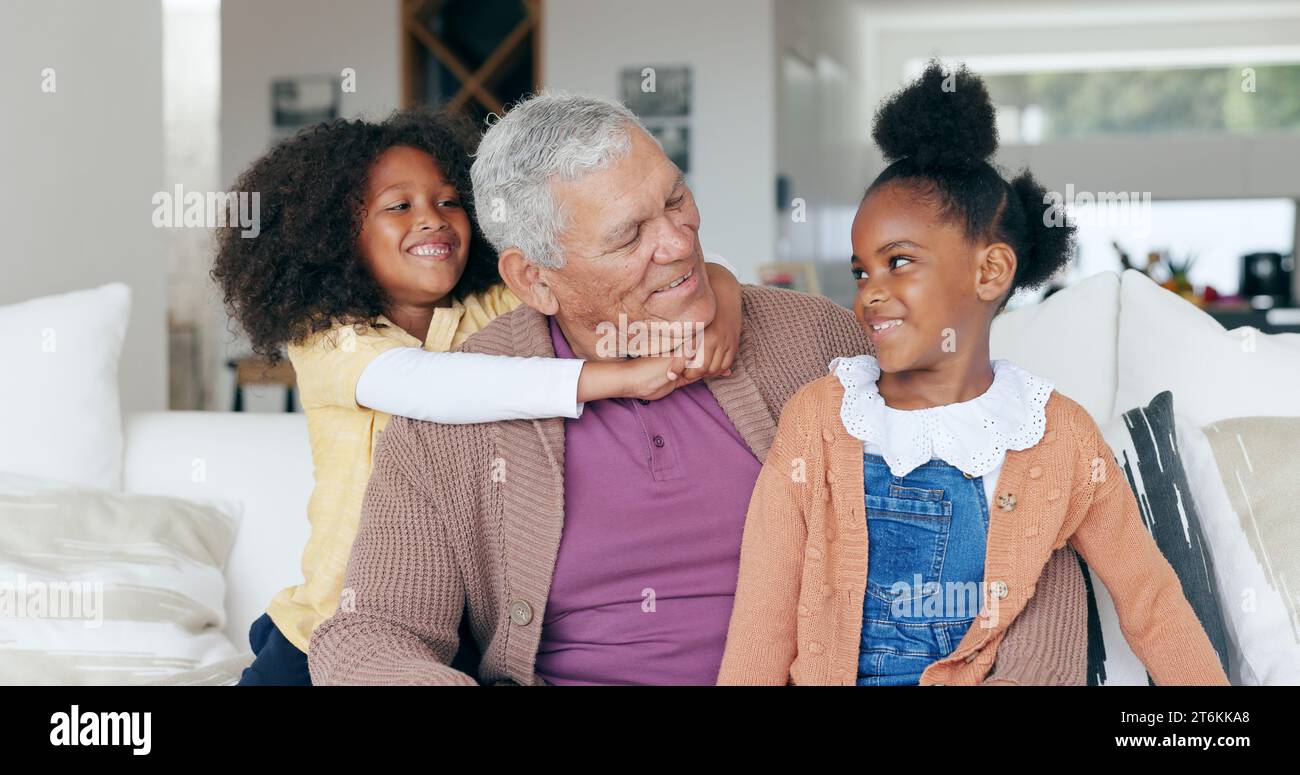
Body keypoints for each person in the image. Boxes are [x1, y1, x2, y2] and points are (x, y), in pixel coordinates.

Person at [307, 92, 1090, 686]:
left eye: (675, 199)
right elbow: (368, 633)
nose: (680, 243)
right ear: (533, 279)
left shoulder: (819, 345)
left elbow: (1020, 514)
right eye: (628, 235)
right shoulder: (461, 408)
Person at [716, 62, 1229, 686]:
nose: (870, 294)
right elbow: (764, 612)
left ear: (990, 273)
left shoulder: (1055, 435)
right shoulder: (822, 417)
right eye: (860, 272)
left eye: (898, 262)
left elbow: (1151, 602)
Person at [211, 107, 744, 685]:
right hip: (333, 624)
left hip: (459, 624)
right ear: (334, 235)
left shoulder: (486, 309)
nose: (433, 220)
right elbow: (432, 387)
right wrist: (612, 378)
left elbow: (601, 284)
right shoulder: (328, 336)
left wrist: (722, 301)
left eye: (448, 201)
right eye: (399, 207)